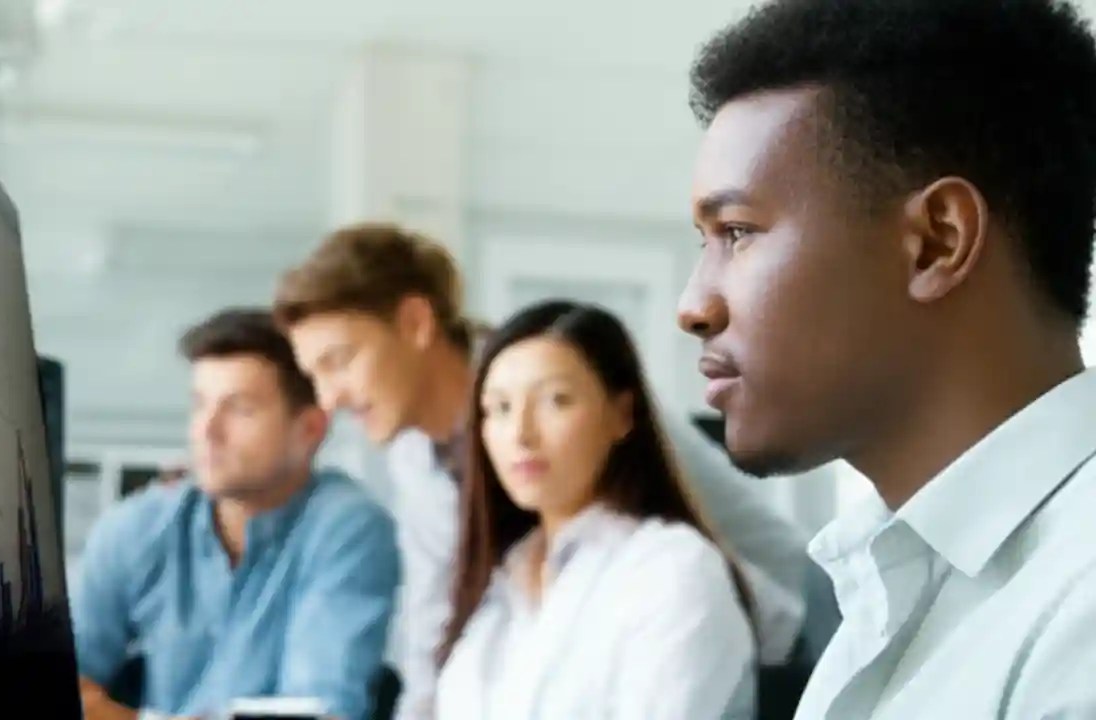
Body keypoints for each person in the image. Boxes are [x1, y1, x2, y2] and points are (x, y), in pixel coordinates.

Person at [680, 0, 1096, 717]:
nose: (695, 305)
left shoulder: (1076, 607)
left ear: (937, 241)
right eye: (705, 241)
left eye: (739, 232)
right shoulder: (886, 584)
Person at [274, 222, 817, 720]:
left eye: (339, 361)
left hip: (781, 639)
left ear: (416, 322)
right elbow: (432, 629)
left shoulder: (569, 381)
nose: (328, 396)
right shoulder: (422, 462)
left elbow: (681, 558)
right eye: (498, 411)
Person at [71, 309, 400, 720]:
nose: (207, 429)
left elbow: (319, 713)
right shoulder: (137, 526)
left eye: (239, 408)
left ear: (310, 430)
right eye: (199, 404)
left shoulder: (348, 528)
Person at [433, 300, 756, 719]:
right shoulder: (500, 579)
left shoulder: (674, 570)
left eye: (555, 400)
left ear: (621, 413)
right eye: (499, 408)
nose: (520, 433)